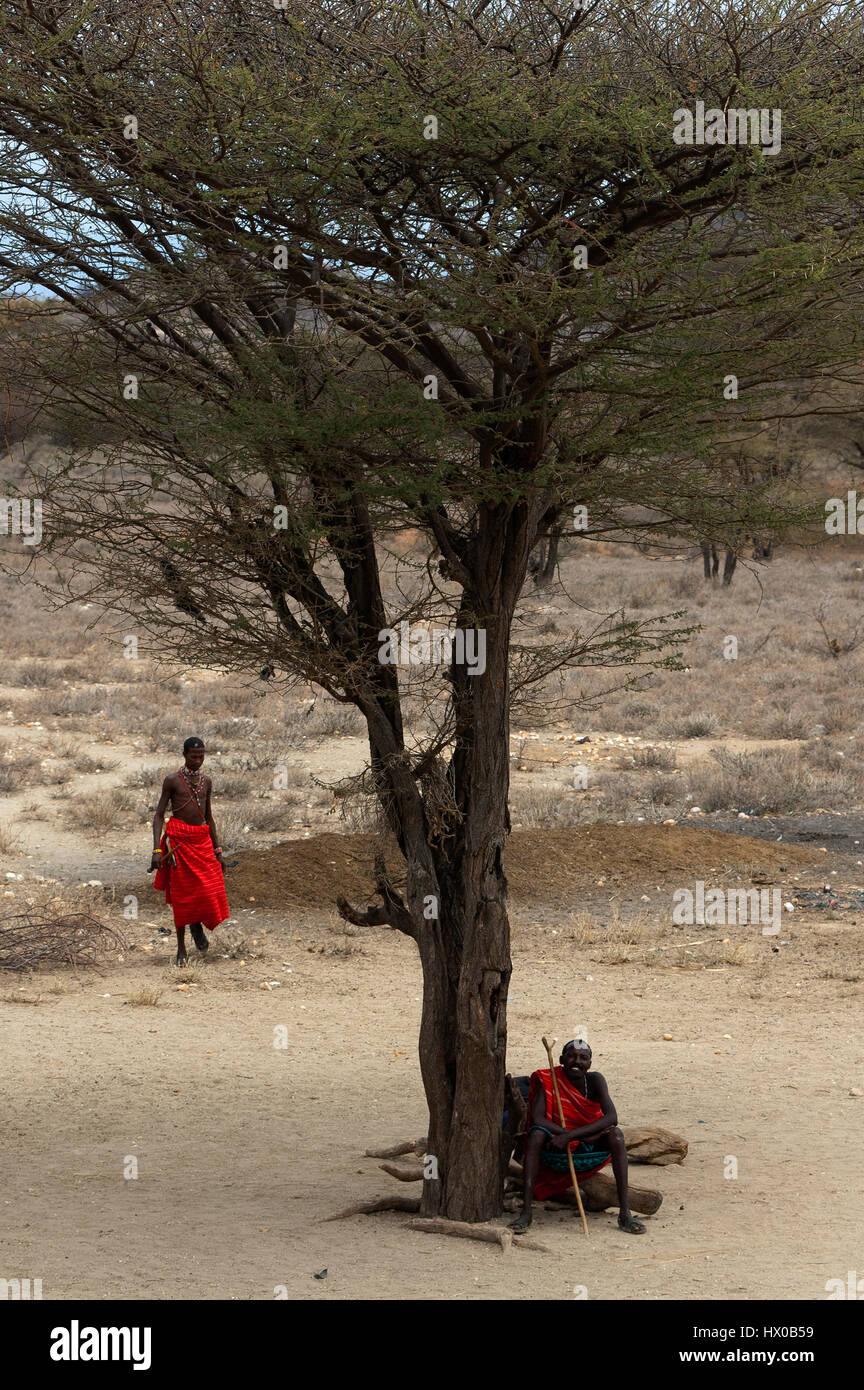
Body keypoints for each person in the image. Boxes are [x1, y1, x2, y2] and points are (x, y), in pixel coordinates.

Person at [509, 1039, 646, 1235]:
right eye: (571, 1056)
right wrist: (565, 1136)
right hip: (555, 1143)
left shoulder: (595, 1080)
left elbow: (611, 1118)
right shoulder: (548, 1079)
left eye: (583, 1058)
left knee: (616, 1135)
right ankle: (526, 1213)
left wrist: (573, 1136)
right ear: (561, 1059)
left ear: (589, 1063)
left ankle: (625, 1214)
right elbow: (538, 1119)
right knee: (536, 1134)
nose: (577, 1061)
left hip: (589, 1142)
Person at [150, 737, 229, 965]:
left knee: (208, 889)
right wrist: (157, 850)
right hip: (179, 843)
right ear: (184, 755)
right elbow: (159, 815)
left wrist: (218, 850)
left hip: (201, 841)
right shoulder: (172, 781)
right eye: (193, 756)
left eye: (201, 756)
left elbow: (209, 817)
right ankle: (181, 949)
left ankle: (196, 925)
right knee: (182, 896)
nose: (198, 760)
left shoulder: (207, 782)